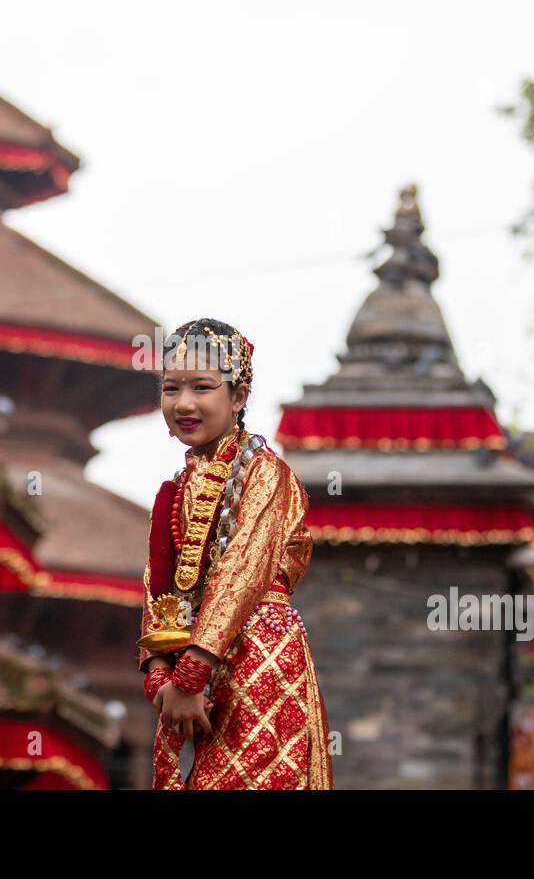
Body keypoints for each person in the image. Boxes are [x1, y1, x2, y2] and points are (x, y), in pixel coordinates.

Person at [137, 318, 334, 789]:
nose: (183, 403)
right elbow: (155, 589)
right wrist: (160, 679)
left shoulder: (266, 474)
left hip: (257, 660)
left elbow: (240, 570)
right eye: (171, 388)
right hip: (192, 671)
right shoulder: (174, 489)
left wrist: (189, 676)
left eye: (202, 387)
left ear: (239, 396)